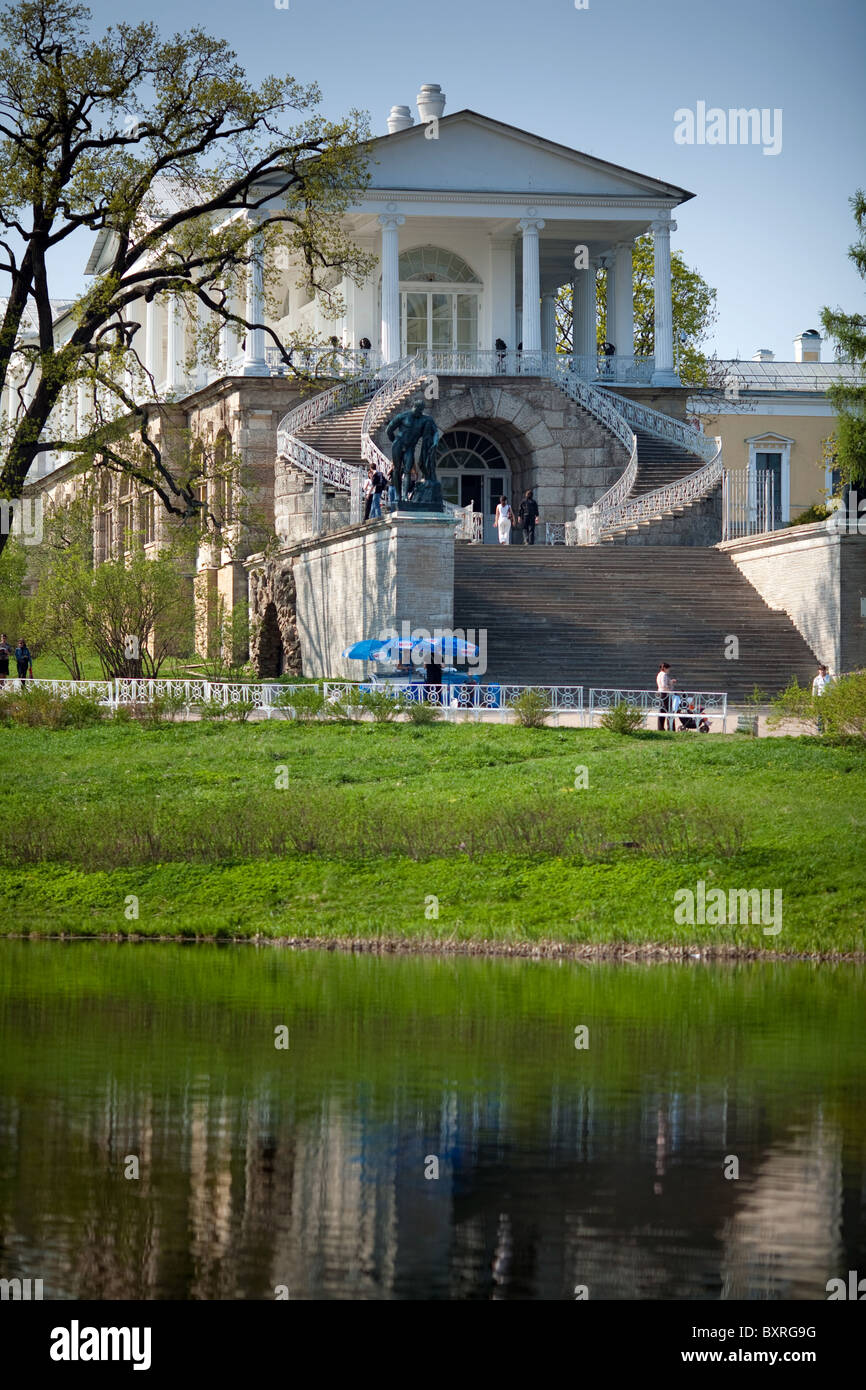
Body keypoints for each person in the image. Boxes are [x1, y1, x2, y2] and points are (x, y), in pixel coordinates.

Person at [656, 661, 676, 730]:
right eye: (668, 669)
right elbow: (664, 685)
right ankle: (671, 727)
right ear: (664, 668)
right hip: (665, 694)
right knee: (669, 711)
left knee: (662, 711)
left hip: (661, 693)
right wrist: (669, 690)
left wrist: (670, 681)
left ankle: (660, 727)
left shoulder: (659, 674)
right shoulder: (664, 674)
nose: (669, 670)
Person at [812, 663, 832, 732]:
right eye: (820, 670)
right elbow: (814, 690)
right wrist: (814, 699)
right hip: (820, 698)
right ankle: (820, 730)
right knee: (820, 714)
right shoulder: (816, 679)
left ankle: (831, 729)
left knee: (829, 714)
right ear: (818, 671)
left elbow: (833, 688)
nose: (822, 671)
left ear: (825, 670)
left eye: (823, 670)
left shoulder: (829, 678)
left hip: (828, 698)